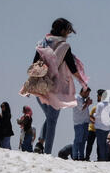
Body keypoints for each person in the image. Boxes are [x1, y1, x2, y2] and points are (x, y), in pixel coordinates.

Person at [27, 18, 88, 155]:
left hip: (40, 87)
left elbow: (35, 64)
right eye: (68, 31)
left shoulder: (42, 43)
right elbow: (73, 69)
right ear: (62, 30)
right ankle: (47, 153)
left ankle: (40, 144)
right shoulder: (64, 46)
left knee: (50, 118)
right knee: (52, 120)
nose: (68, 34)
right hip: (55, 89)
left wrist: (30, 85)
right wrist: (84, 84)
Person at [72, 87, 92, 160]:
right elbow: (81, 108)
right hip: (79, 123)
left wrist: (87, 103)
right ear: (83, 92)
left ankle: (81, 156)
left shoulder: (83, 99)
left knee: (83, 141)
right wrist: (87, 103)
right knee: (77, 140)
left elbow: (84, 110)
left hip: (85, 123)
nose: (88, 95)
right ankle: (75, 156)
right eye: (87, 93)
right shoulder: (77, 98)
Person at [94, 90, 110, 161]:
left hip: (99, 127)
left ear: (100, 96)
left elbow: (98, 115)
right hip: (107, 128)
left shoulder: (99, 104)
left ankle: (102, 159)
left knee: (100, 144)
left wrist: (93, 114)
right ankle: (105, 158)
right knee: (104, 144)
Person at [85, 90, 102, 161]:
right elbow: (90, 116)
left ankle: (99, 159)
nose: (97, 97)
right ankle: (87, 158)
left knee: (99, 145)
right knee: (89, 144)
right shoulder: (95, 108)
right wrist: (94, 121)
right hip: (92, 129)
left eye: (98, 96)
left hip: (99, 129)